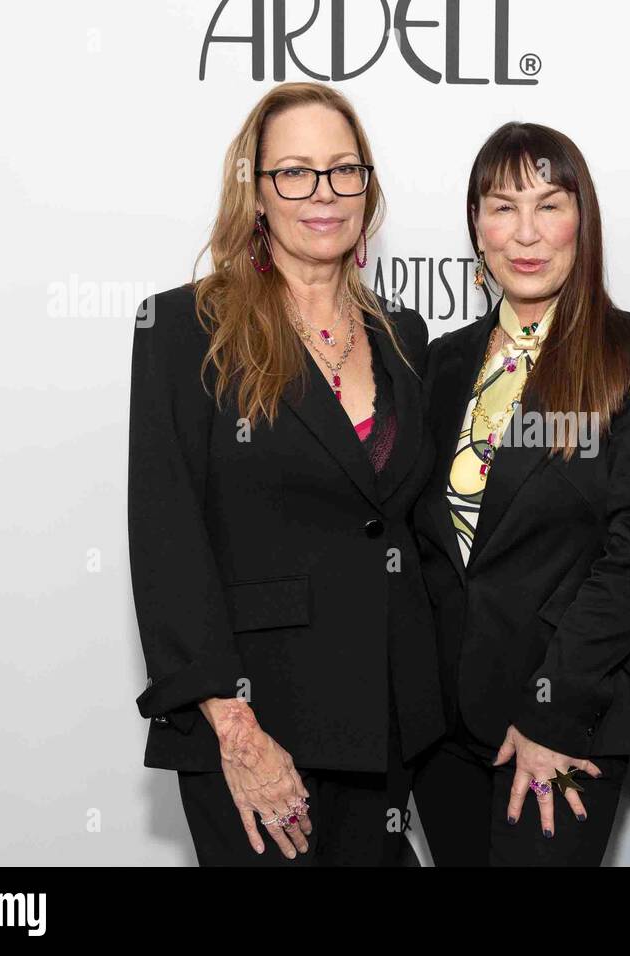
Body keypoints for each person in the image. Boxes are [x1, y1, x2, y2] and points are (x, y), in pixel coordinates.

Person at [128, 81, 443, 866]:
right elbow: (167, 540)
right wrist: (235, 730)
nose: (323, 193)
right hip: (259, 719)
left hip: (389, 720)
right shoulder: (183, 329)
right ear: (256, 192)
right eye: (294, 172)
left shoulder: (404, 336)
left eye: (344, 170)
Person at [410, 122, 630, 866]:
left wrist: (552, 712)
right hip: (441, 729)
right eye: (502, 207)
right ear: (475, 225)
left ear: (583, 218)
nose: (526, 233)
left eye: (549, 204)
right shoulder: (440, 364)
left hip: (563, 720)